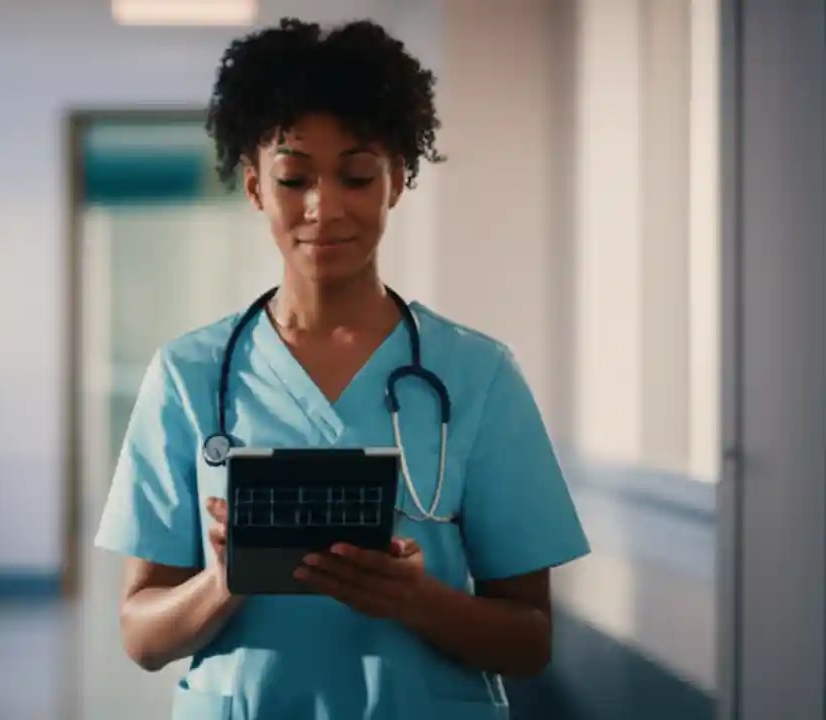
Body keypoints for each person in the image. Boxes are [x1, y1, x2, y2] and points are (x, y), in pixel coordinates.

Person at [93, 17, 590, 720]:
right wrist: (226, 581)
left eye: (357, 175)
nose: (323, 208)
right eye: (294, 178)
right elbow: (141, 635)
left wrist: (416, 600)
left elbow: (529, 640)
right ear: (256, 187)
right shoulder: (188, 374)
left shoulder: (477, 375)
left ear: (397, 181)